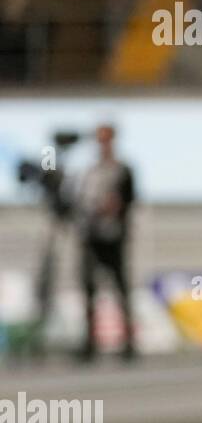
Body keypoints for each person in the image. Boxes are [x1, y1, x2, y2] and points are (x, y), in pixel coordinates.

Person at [74, 124, 137, 362]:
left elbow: (128, 200)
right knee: (89, 289)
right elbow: (80, 202)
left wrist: (114, 208)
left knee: (120, 289)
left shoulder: (122, 170)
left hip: (113, 238)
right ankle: (89, 342)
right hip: (91, 237)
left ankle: (129, 342)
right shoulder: (90, 172)